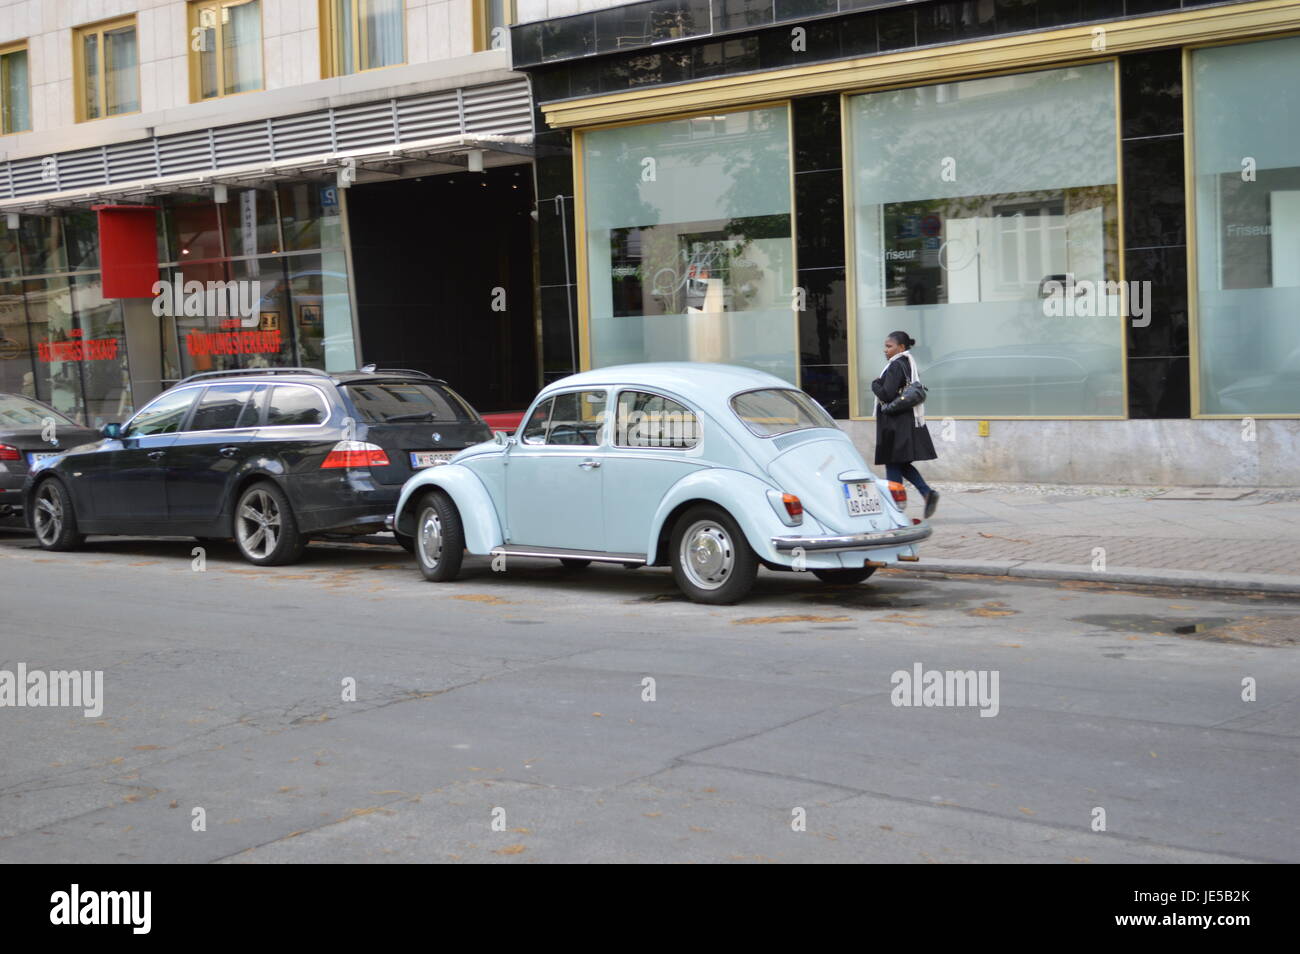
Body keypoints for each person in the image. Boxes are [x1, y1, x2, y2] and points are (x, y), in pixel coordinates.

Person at [871, 331, 939, 519]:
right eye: (885, 346)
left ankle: (894, 507)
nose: (885, 350)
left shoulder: (895, 366)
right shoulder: (907, 363)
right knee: (900, 463)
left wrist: (874, 384)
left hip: (894, 423)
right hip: (903, 421)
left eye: (889, 346)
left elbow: (886, 394)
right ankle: (926, 493)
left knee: (893, 463)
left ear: (901, 347)